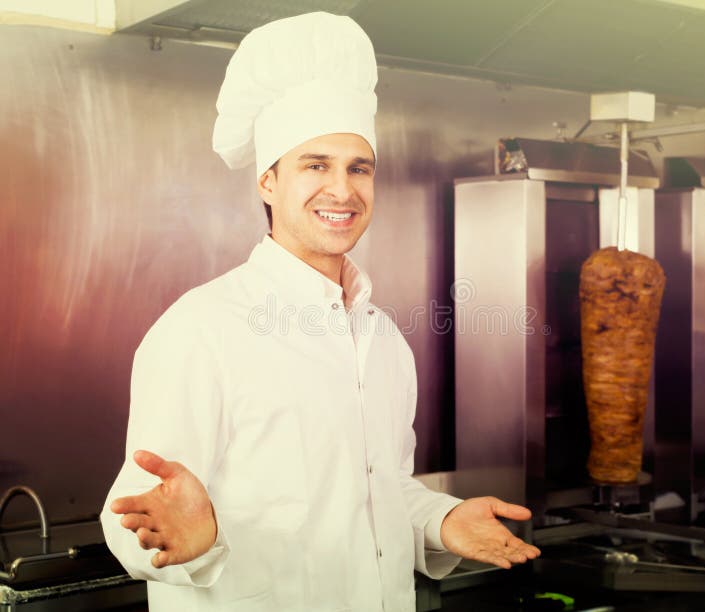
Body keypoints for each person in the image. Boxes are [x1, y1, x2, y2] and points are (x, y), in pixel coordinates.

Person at [100, 11, 540, 612]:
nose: (342, 190)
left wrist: (441, 521)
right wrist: (197, 539)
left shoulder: (382, 339)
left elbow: (379, 492)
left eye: (359, 168)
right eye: (315, 165)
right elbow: (133, 516)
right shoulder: (200, 330)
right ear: (268, 182)